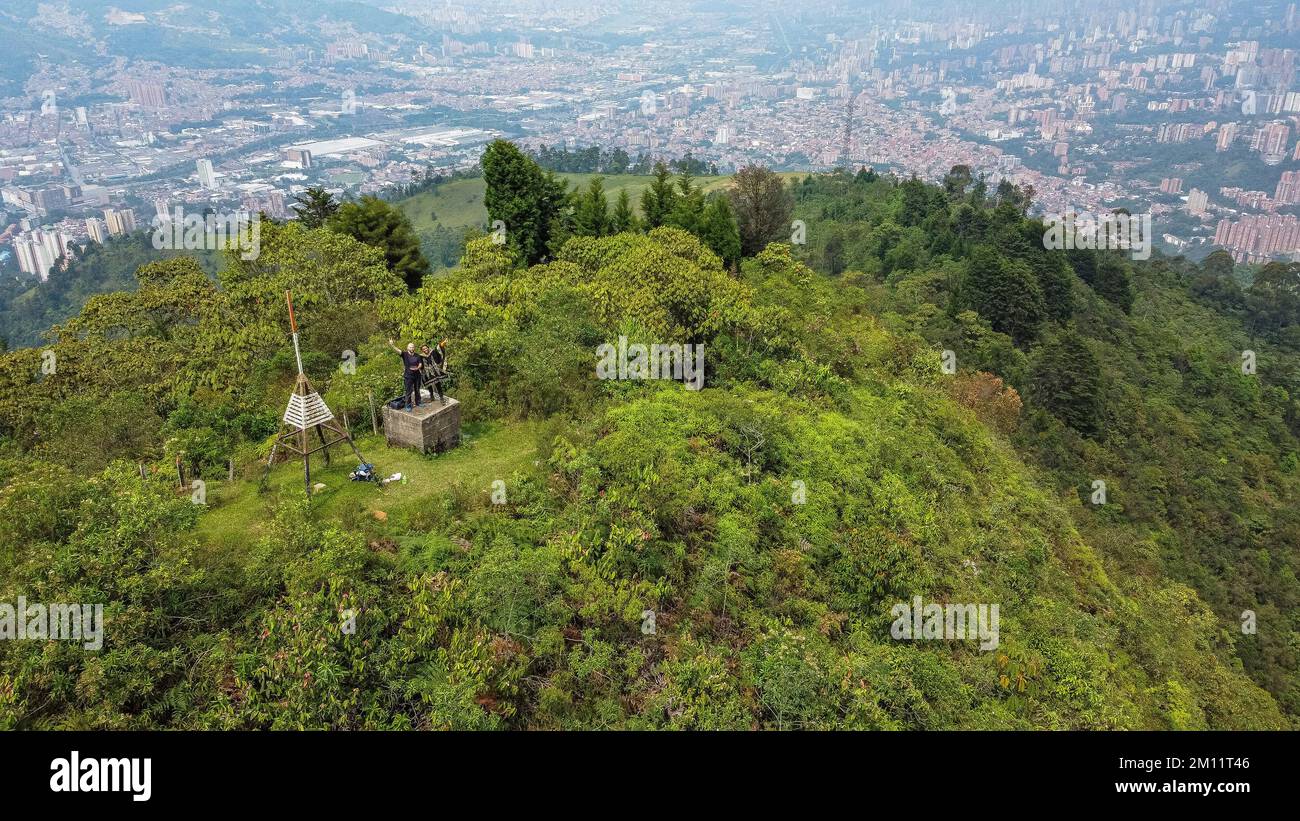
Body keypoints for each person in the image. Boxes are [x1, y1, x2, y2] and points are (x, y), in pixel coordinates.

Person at [388, 339, 424, 410]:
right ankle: (408, 405)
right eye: (410, 347)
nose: (412, 348)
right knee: (408, 391)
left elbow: (420, 363)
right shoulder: (404, 354)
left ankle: (418, 402)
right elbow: (397, 350)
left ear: (414, 348)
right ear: (408, 348)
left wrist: (417, 368)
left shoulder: (417, 355)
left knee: (417, 389)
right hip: (408, 376)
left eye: (413, 347)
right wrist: (392, 345)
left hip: (417, 376)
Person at [420, 339, 449, 404]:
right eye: (423, 349)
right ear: (422, 350)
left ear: (428, 347)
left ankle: (441, 398)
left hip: (435, 372)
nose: (425, 350)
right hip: (426, 373)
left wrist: (443, 343)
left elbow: (438, 348)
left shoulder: (432, 352)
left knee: (438, 384)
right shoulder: (421, 356)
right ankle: (432, 396)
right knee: (429, 385)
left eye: (426, 348)